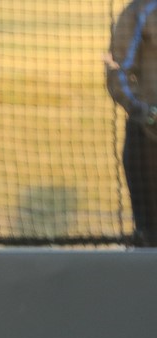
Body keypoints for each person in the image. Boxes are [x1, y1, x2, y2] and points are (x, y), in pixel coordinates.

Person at [106, 0, 157, 247]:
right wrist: (148, 114)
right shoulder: (140, 11)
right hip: (148, 142)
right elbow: (117, 73)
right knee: (151, 237)